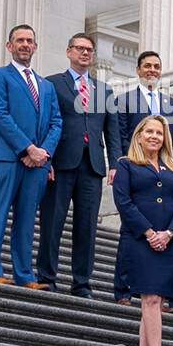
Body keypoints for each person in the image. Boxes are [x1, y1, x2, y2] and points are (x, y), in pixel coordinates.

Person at [36, 32, 118, 297]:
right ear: (69, 51)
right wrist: (44, 158)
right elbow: (44, 123)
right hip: (59, 162)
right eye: (80, 48)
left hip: (92, 165)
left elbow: (112, 130)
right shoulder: (52, 84)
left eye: (89, 50)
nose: (85, 53)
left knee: (87, 227)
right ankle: (47, 276)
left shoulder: (105, 90)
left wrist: (115, 163)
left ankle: (82, 282)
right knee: (52, 222)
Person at [113, 115, 173, 346]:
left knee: (154, 302)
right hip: (139, 241)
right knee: (151, 301)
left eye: (159, 133)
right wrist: (149, 232)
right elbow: (123, 202)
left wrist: (169, 233)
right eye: (149, 132)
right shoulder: (126, 165)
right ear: (139, 135)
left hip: (170, 242)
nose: (154, 137)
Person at [0, 25, 62, 290]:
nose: (25, 44)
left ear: (35, 47)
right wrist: (28, 148)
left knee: (27, 219)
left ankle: (25, 275)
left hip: (37, 164)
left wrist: (43, 153)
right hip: (5, 158)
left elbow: (56, 123)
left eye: (29, 41)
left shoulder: (47, 86)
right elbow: (0, 115)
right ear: (9, 46)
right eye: (20, 40)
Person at [116, 50, 173, 153]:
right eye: (148, 66)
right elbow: (120, 137)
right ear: (138, 70)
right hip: (135, 164)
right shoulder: (123, 101)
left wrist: (169, 163)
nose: (153, 70)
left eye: (157, 67)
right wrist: (136, 160)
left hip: (166, 167)